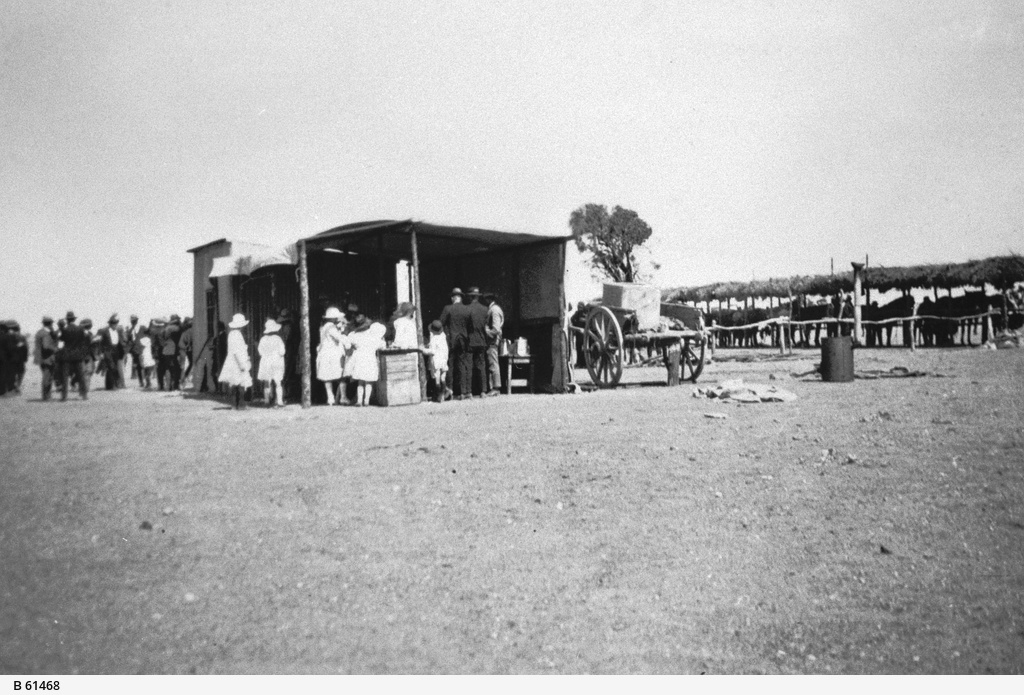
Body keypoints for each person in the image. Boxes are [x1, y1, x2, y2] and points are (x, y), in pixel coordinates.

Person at [347, 312, 386, 406]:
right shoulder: (375, 338)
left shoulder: (356, 335)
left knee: (360, 381)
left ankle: (359, 401)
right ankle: (366, 401)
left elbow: (350, 343)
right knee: (369, 381)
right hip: (370, 360)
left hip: (359, 360)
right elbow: (382, 347)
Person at [440, 287, 471, 399]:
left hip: (451, 341)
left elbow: (441, 324)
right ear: (461, 298)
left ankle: (450, 390)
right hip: (463, 340)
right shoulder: (467, 309)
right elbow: (470, 326)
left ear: (453, 298)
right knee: (462, 365)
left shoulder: (447, 308)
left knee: (450, 366)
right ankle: (463, 392)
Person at [316, 307, 349, 405]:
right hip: (333, 353)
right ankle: (342, 397)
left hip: (325, 353)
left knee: (327, 376)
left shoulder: (323, 327)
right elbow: (339, 337)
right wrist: (347, 342)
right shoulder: (331, 327)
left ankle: (330, 398)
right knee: (341, 375)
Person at [218, 313, 252, 409]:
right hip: (237, 360)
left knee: (237, 382)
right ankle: (239, 404)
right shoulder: (236, 334)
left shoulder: (233, 334)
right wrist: (241, 364)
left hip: (236, 360)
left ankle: (237, 404)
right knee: (239, 382)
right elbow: (236, 351)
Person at [59, 311, 90, 401]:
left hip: (67, 355)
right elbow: (83, 341)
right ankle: (84, 394)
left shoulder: (64, 330)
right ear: (74, 319)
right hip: (78, 355)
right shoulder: (80, 329)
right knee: (81, 376)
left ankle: (64, 396)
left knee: (65, 377)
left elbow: (61, 341)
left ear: (67, 320)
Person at [257, 318, 286, 408]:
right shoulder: (278, 339)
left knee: (267, 382)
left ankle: (267, 400)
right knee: (278, 382)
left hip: (266, 362)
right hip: (276, 361)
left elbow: (260, 351)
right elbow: (282, 352)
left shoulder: (262, 339)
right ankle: (280, 401)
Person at [466, 287, 489, 397]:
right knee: (481, 366)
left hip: (470, 341)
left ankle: (469, 392)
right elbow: (487, 326)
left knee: (469, 367)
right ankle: (483, 391)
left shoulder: (467, 309)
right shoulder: (485, 309)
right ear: (478, 296)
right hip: (482, 341)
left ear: (470, 296)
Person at [483, 292, 504, 396]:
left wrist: (486, 331)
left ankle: (496, 387)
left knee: (493, 363)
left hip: (492, 341)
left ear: (489, 300)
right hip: (493, 340)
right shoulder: (495, 309)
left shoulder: (494, 310)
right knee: (492, 362)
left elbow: (495, 328)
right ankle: (494, 386)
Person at [424, 319, 450, 402]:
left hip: (436, 361)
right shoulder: (443, 336)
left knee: (437, 380)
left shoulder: (434, 339)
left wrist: (423, 349)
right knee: (443, 378)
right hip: (444, 359)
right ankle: (442, 395)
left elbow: (432, 351)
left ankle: (438, 396)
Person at [99, 314, 126, 390]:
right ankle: (113, 386)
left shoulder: (118, 331)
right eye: (113, 323)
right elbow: (101, 343)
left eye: (116, 323)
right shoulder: (105, 331)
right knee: (111, 367)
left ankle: (109, 385)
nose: (115, 325)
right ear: (110, 324)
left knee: (114, 368)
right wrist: (101, 353)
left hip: (116, 350)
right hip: (108, 350)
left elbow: (122, 341)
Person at [34, 316, 58, 400]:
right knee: (48, 377)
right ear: (50, 324)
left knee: (46, 376)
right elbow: (46, 346)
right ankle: (46, 396)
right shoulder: (45, 333)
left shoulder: (39, 332)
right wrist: (56, 349)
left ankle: (46, 395)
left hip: (41, 358)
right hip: (47, 358)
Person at [160, 315, 182, 390]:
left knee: (167, 368)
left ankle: (168, 386)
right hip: (175, 350)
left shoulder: (166, 328)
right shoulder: (177, 328)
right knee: (176, 368)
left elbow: (162, 338)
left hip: (166, 350)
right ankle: (175, 385)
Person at [125, 315, 144, 386]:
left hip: (143, 349)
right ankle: (141, 381)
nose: (133, 322)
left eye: (134, 320)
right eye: (132, 320)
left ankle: (145, 380)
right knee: (138, 366)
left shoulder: (142, 328)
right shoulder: (130, 331)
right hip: (135, 351)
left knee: (143, 365)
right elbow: (128, 341)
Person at [178, 317, 194, 386]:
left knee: (190, 364)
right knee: (191, 363)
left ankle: (185, 377)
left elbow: (181, 342)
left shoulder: (185, 332)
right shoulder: (192, 331)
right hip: (191, 349)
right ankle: (185, 377)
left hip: (188, 350)